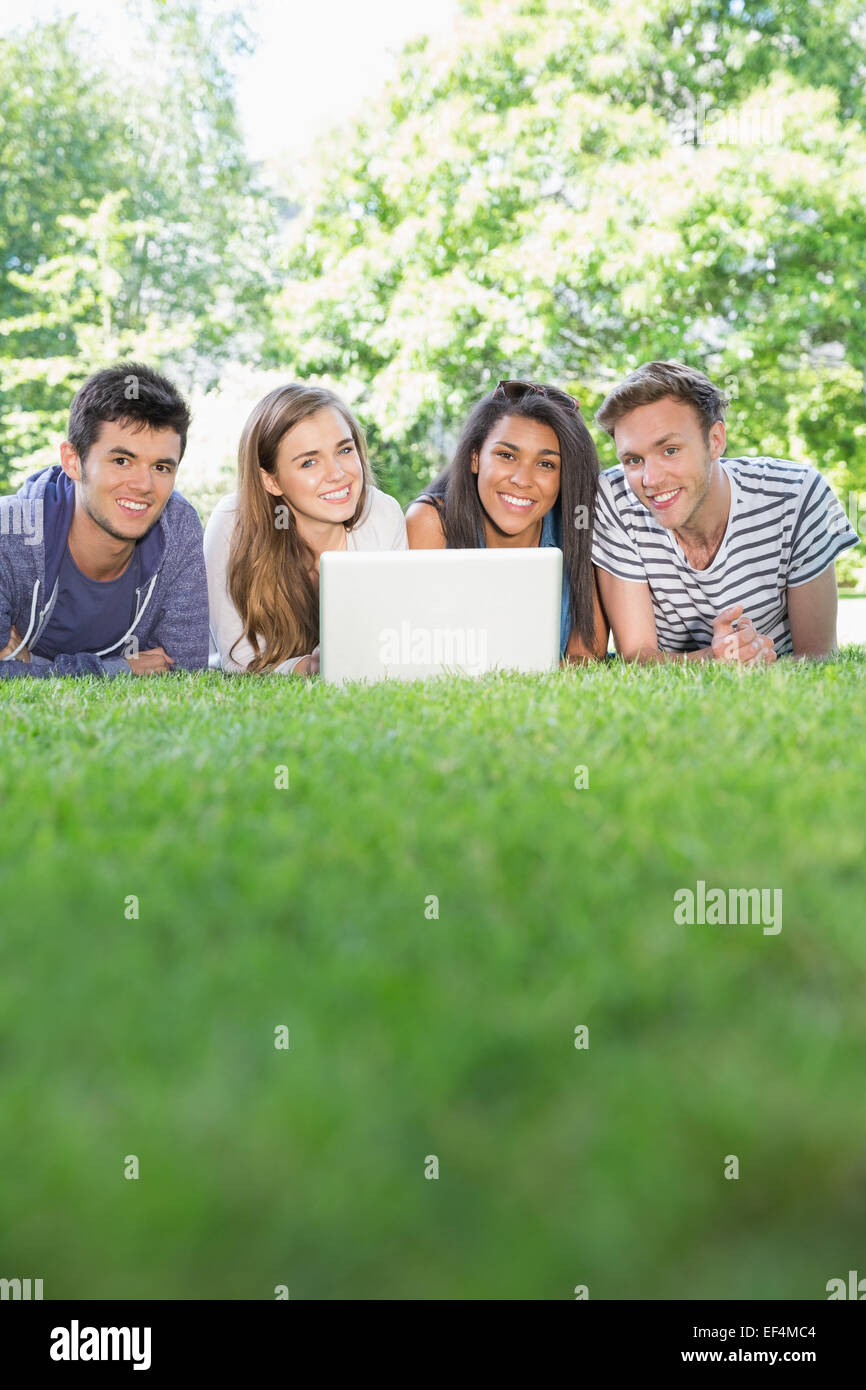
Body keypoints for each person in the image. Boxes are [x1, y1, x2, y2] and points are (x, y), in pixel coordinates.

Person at [591, 361, 860, 663]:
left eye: (670, 450)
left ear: (715, 440)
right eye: (633, 460)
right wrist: (714, 657)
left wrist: (755, 658)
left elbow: (817, 658)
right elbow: (638, 656)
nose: (650, 479)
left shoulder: (796, 494)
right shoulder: (614, 496)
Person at [0, 362, 209, 678]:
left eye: (162, 467)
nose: (143, 485)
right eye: (122, 461)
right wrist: (120, 669)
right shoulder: (10, 532)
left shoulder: (177, 527)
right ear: (73, 461)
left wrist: (28, 666)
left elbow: (184, 671)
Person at [204, 383, 407, 674]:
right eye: (309, 462)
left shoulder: (381, 514)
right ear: (270, 480)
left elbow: (394, 641)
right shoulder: (232, 523)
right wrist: (311, 667)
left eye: (345, 450)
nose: (338, 474)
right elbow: (241, 662)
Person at [405, 379, 608, 660]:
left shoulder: (579, 524)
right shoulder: (431, 522)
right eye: (506, 455)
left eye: (546, 464)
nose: (522, 480)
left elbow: (584, 655)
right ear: (475, 458)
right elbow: (413, 648)